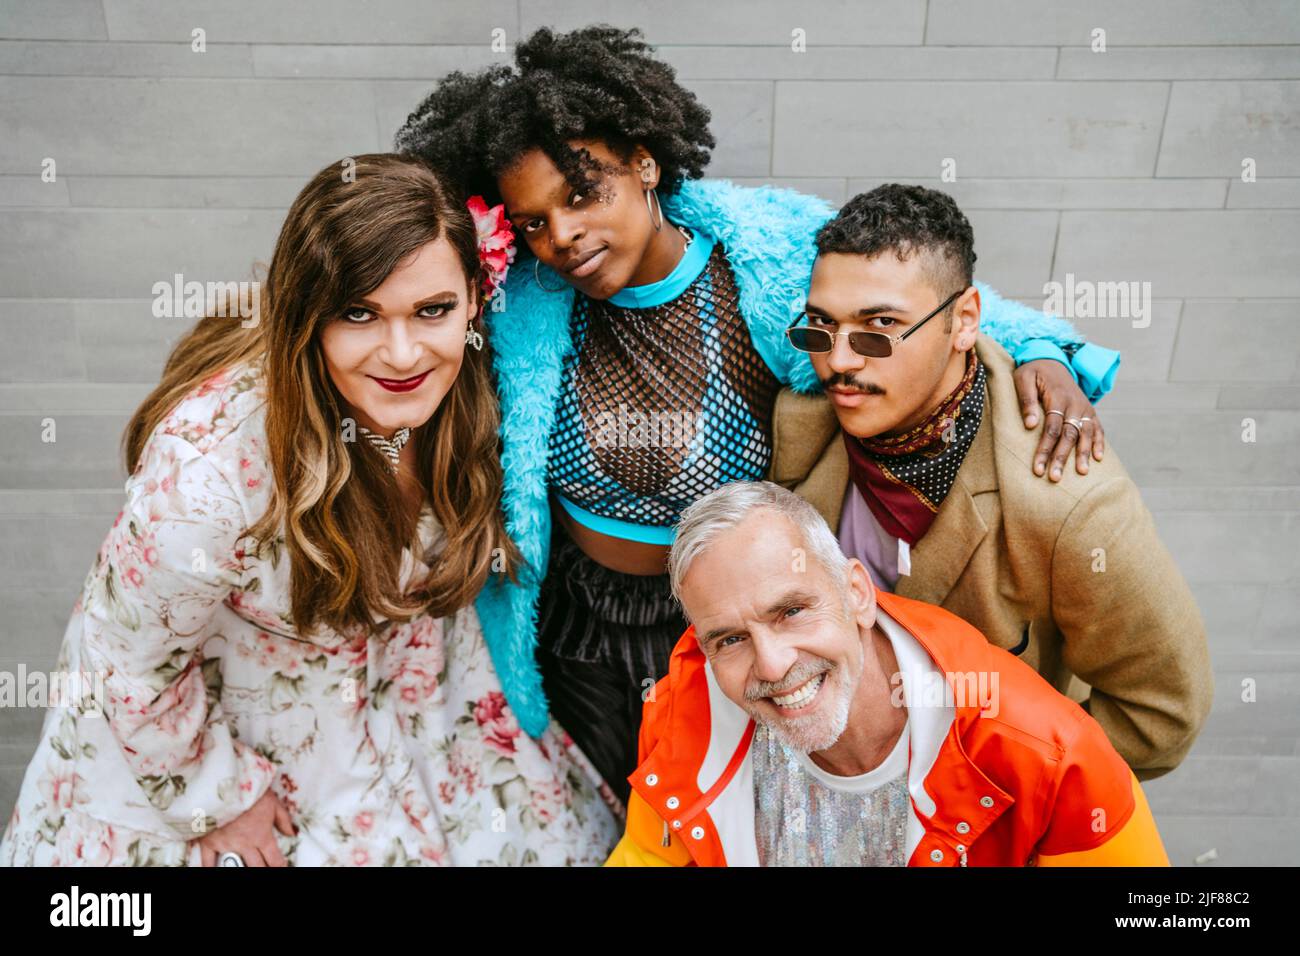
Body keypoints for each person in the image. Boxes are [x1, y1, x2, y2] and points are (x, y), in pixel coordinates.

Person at [396, 24, 1120, 804]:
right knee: (627, 798)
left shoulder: (765, 265)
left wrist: (1045, 349)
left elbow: (917, 301)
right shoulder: (525, 302)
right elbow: (394, 309)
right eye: (534, 222)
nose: (563, 236)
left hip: (729, 623)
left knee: (746, 805)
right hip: (577, 619)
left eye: (581, 194)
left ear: (644, 164)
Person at [0, 154, 619, 867]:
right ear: (308, 318)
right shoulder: (206, 475)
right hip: (221, 719)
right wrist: (216, 796)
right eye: (359, 314)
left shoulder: (489, 380)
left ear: (475, 300)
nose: (401, 352)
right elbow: (125, 664)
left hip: (416, 693)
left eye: (433, 310)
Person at [770, 184, 1212, 778]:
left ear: (965, 322)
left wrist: (991, 790)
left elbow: (1160, 717)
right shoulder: (802, 420)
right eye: (822, 326)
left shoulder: (1071, 506)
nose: (841, 361)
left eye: (879, 327)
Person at [605, 481, 1171, 867]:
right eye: (730, 640)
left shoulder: (1050, 753)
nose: (773, 665)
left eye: (792, 611)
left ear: (856, 593)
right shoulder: (684, 710)